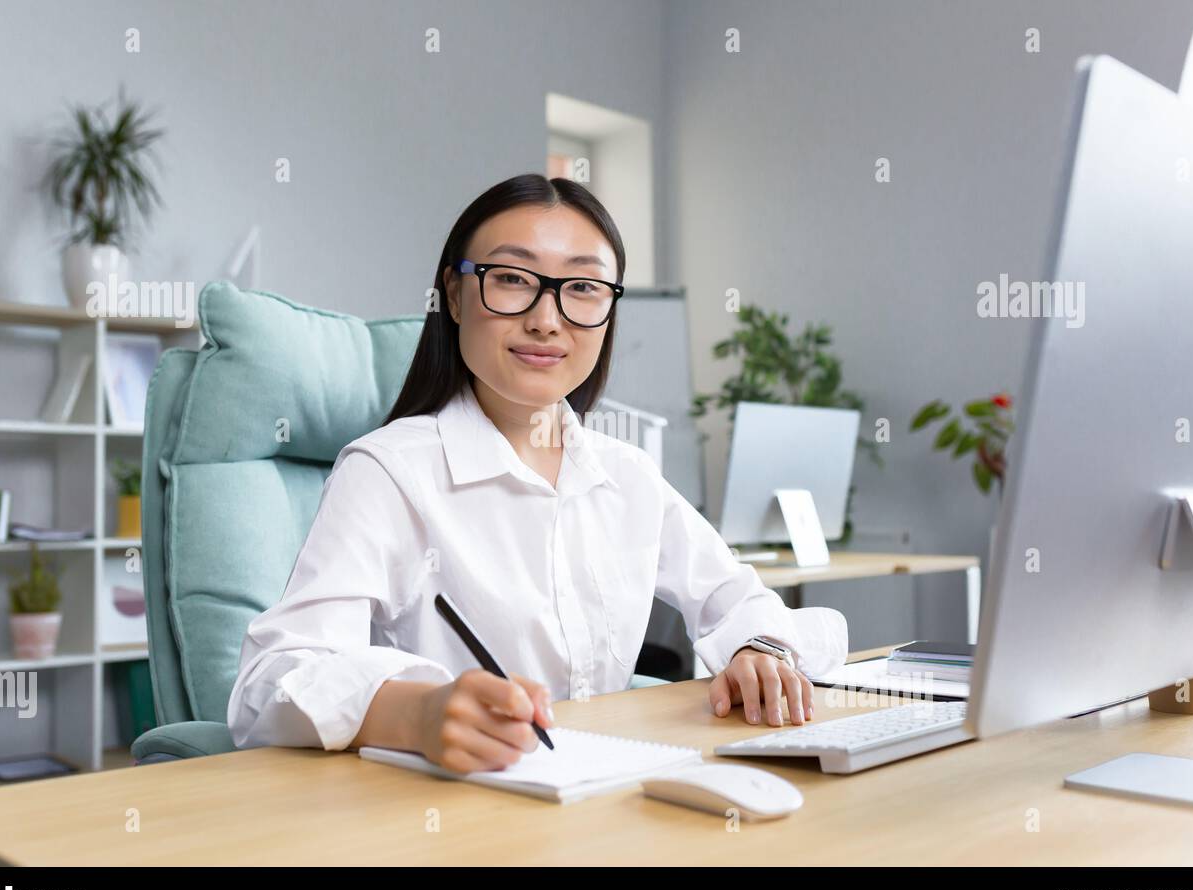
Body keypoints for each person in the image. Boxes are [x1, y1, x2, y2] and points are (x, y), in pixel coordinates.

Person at [227, 173, 847, 771]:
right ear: (453, 291)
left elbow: (734, 595)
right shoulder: (389, 471)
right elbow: (271, 682)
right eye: (513, 279)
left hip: (600, 795)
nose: (547, 319)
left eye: (583, 288)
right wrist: (417, 715)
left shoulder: (624, 474)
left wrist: (756, 649)